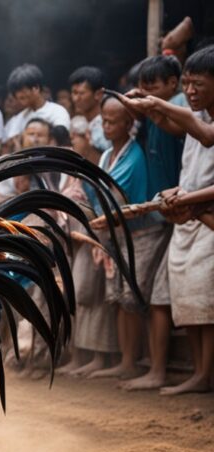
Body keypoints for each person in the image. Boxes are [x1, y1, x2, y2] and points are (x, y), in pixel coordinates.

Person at [122, 46, 214, 394]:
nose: (190, 91)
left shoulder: (201, 125)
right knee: (190, 301)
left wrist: (155, 103)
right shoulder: (197, 120)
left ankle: (205, 374)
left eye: (197, 84)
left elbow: (206, 138)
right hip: (190, 217)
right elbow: (192, 174)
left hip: (203, 218)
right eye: (187, 84)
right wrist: (176, 194)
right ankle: (199, 374)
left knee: (206, 300)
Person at [116, 56, 187, 391]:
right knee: (151, 296)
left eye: (153, 87)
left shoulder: (180, 110)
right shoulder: (150, 120)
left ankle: (158, 369)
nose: (144, 94)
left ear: (174, 84)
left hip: (182, 213)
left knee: (159, 296)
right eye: (142, 87)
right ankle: (149, 365)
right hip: (165, 214)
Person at [89, 96, 163, 382]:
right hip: (116, 235)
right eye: (104, 120)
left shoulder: (134, 156)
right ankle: (125, 360)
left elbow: (110, 198)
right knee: (118, 299)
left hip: (140, 233)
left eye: (112, 121)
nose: (106, 127)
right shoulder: (108, 155)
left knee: (133, 298)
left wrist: (98, 223)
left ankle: (135, 361)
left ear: (128, 124)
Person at [3, 64, 70, 150]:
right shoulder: (17, 119)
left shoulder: (57, 112)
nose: (19, 98)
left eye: (23, 95)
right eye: (18, 96)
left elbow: (62, 141)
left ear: (36, 88)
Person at [68, 66, 111, 158]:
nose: (76, 99)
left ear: (98, 94)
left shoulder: (107, 124)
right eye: (74, 93)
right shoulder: (76, 122)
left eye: (81, 93)